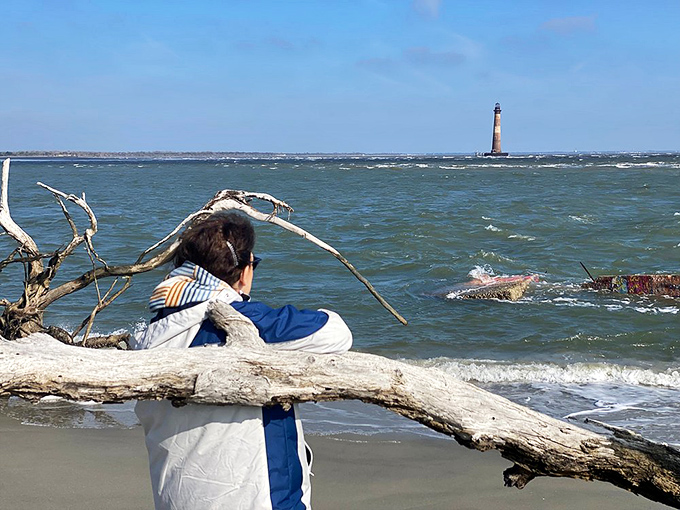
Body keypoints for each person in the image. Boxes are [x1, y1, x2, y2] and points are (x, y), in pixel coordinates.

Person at [134, 213, 353, 510]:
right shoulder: (242, 323)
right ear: (245, 268)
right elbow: (336, 333)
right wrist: (242, 299)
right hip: (258, 500)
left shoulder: (148, 337)